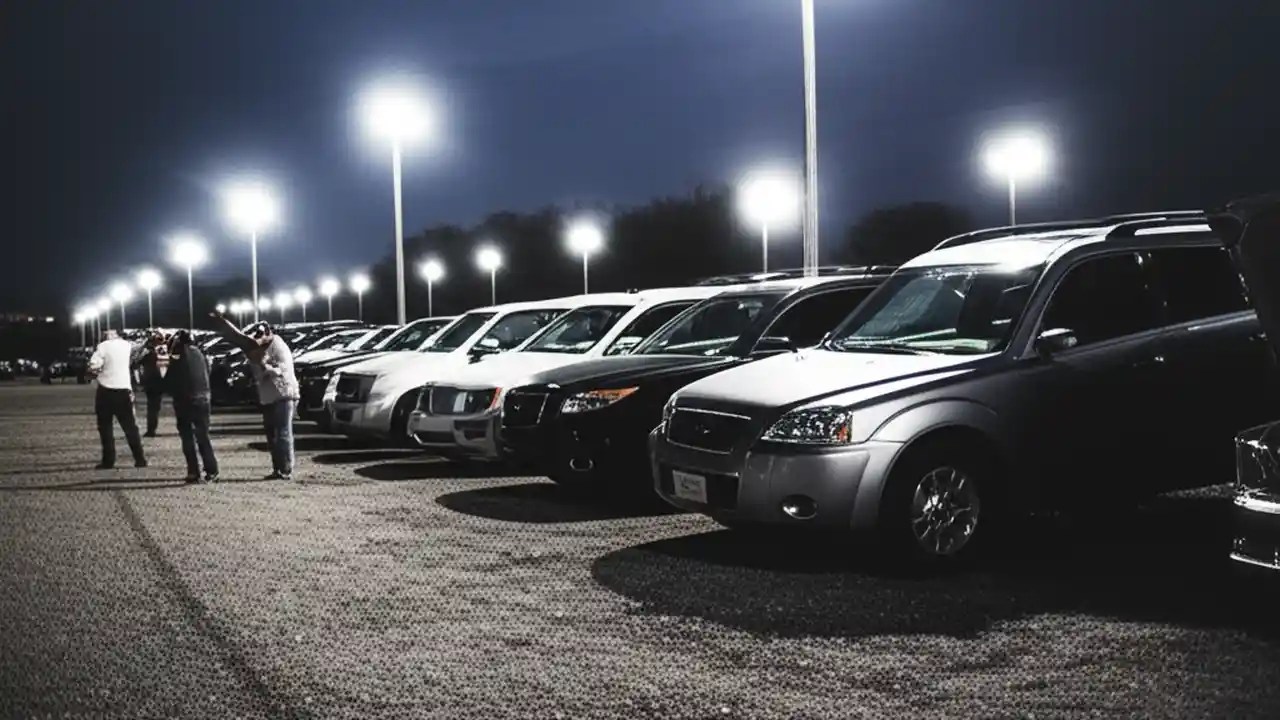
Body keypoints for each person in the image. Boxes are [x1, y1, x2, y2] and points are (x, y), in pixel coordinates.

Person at [209, 312, 299, 479]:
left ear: (268, 333)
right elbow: (239, 338)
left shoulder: (278, 346)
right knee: (272, 435)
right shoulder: (260, 346)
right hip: (268, 395)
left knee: (283, 433)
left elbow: (282, 370)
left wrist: (266, 367)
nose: (256, 339)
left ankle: (285, 469)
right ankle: (277, 468)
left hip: (283, 394)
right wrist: (223, 322)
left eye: (259, 335)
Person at [86, 329, 148, 469]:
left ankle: (109, 460)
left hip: (106, 390)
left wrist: (96, 371)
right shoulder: (128, 345)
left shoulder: (103, 346)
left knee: (105, 428)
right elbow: (138, 356)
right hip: (124, 389)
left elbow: (93, 365)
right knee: (130, 427)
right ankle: (140, 458)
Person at [166, 330, 218, 483]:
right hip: (204, 399)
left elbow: (170, 379)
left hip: (186, 400)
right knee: (203, 436)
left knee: (187, 437)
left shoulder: (179, 356)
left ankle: (193, 472)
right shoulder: (200, 354)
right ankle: (212, 470)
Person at [134, 330, 170, 437]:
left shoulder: (149, 353)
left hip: (152, 382)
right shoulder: (165, 351)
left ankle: (151, 430)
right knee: (155, 407)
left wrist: (143, 347)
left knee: (152, 408)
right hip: (162, 381)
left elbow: (136, 361)